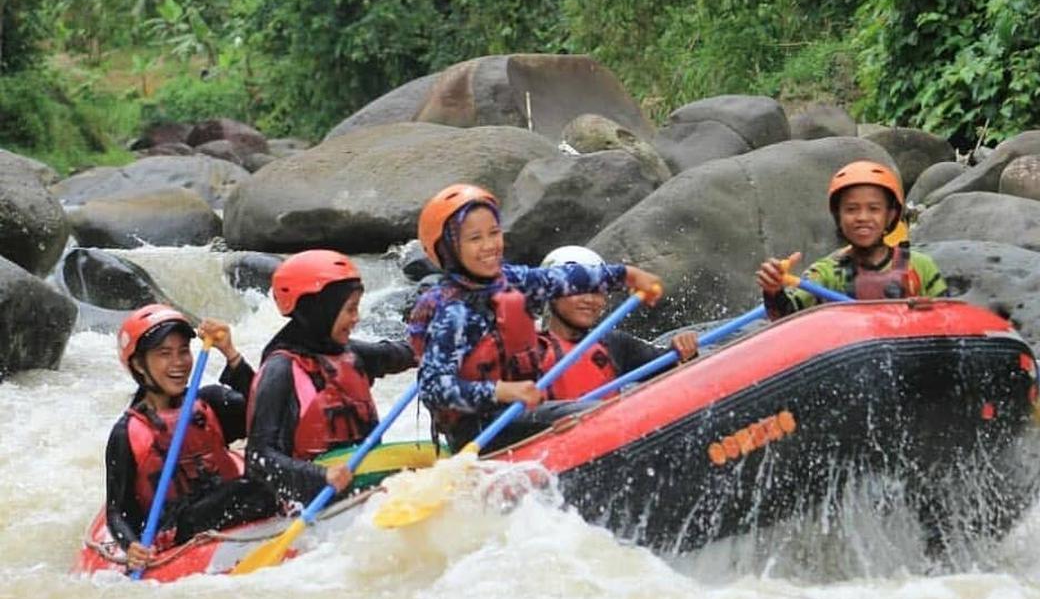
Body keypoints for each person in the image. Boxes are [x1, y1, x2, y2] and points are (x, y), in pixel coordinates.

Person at [407, 184, 664, 452]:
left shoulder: (508, 280)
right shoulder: (453, 312)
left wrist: (627, 275)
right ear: (448, 249)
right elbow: (433, 387)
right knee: (598, 415)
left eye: (494, 233)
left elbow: (560, 279)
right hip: (482, 429)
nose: (489, 246)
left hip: (520, 412)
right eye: (475, 239)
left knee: (597, 412)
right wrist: (501, 390)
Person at [105, 305, 276, 571]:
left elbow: (266, 417)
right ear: (138, 364)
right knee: (255, 488)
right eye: (165, 354)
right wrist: (131, 546)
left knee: (269, 474)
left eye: (183, 351)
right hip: (178, 528)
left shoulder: (210, 403)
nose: (179, 362)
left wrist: (230, 354)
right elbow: (118, 511)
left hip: (229, 508)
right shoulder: (127, 433)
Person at [245, 249, 417, 507]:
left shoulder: (349, 354)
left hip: (361, 491)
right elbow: (258, 458)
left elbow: (402, 354)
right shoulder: (279, 371)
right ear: (319, 310)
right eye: (350, 309)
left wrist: (433, 347)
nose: (356, 318)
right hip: (309, 504)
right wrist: (320, 476)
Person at [756, 160, 948, 319]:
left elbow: (951, 319)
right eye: (851, 209)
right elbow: (787, 320)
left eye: (874, 209)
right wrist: (773, 291)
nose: (862, 217)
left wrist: (931, 313)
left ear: (890, 216)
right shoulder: (824, 274)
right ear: (838, 216)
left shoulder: (920, 267)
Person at [537, 245, 699, 401]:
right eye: (577, 290)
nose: (589, 299)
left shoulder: (614, 344)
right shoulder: (526, 354)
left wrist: (684, 349)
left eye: (597, 291)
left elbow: (675, 369)